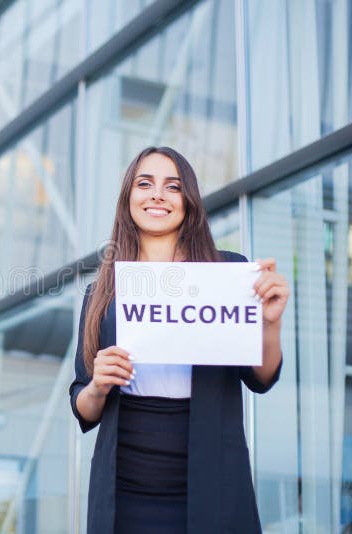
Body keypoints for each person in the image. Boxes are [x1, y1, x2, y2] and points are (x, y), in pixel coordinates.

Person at [68, 146, 289, 533]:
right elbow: (83, 405)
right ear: (128, 199)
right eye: (145, 184)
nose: (157, 195)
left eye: (172, 186)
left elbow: (262, 378)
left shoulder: (228, 273)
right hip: (123, 494)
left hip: (211, 488)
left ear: (188, 201)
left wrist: (269, 325)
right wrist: (99, 386)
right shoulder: (102, 291)